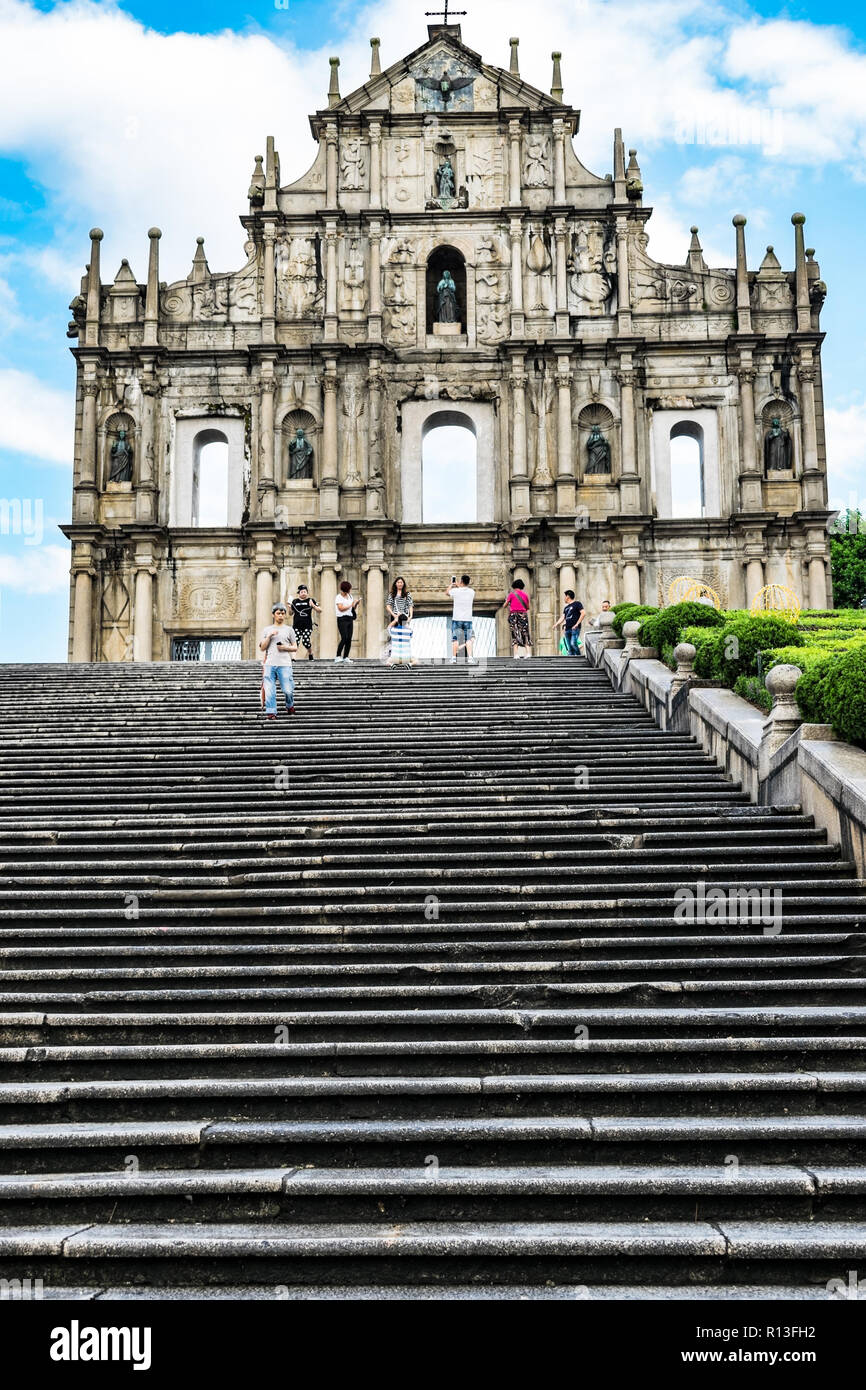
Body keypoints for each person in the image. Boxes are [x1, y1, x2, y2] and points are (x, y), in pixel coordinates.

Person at [259, 603, 298, 719]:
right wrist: (269, 636)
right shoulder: (267, 630)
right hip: (270, 664)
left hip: (284, 664)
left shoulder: (289, 630)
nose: (281, 615)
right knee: (270, 690)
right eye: (278, 613)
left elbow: (295, 647)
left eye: (283, 613)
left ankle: (289, 705)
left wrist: (285, 648)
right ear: (273, 615)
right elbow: (262, 648)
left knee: (288, 690)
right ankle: (271, 713)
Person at [446, 574, 477, 664]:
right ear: (468, 582)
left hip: (457, 618)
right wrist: (459, 585)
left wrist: (452, 584)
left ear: (461, 581)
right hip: (468, 619)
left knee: (455, 638)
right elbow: (463, 589)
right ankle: (470, 658)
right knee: (468, 639)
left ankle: (454, 658)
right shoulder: (472, 592)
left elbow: (447, 592)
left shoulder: (455, 591)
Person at [502, 578, 532, 659]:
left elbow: (504, 605)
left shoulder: (511, 594)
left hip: (514, 615)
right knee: (525, 633)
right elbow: (528, 607)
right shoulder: (525, 595)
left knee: (515, 633)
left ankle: (516, 654)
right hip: (523, 615)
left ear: (514, 586)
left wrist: (508, 603)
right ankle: (528, 653)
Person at [290, 584, 321, 660]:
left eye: (305, 591)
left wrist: (313, 605)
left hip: (307, 625)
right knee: (295, 641)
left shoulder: (310, 600)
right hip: (297, 625)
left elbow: (320, 610)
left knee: (306, 641)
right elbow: (290, 613)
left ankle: (310, 653)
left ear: (307, 593)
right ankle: (293, 658)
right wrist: (289, 607)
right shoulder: (295, 601)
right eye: (301, 592)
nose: (303, 593)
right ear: (299, 593)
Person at [335, 580, 361, 662]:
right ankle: (338, 656)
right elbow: (341, 608)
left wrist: (356, 603)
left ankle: (346, 656)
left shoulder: (350, 596)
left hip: (349, 618)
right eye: (349, 588)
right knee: (344, 637)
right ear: (345, 589)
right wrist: (351, 604)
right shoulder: (338, 597)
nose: (350, 590)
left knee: (349, 638)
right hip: (342, 619)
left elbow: (353, 608)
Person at [554, 589, 585, 656]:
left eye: (565, 596)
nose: (564, 598)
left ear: (568, 596)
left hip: (575, 628)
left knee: (573, 643)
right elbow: (563, 617)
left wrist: (577, 624)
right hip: (567, 629)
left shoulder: (577, 604)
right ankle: (573, 662)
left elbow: (583, 613)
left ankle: (580, 657)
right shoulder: (566, 608)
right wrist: (556, 624)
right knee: (570, 648)